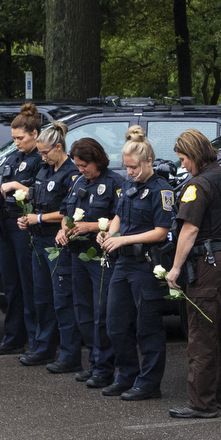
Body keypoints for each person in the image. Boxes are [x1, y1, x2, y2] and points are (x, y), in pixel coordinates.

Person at [167, 129, 221, 419]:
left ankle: (201, 402)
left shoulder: (198, 185)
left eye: (184, 159)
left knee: (202, 334)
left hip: (211, 264)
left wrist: (175, 268)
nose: (183, 165)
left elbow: (189, 230)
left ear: (195, 155)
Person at [99, 128, 173, 400]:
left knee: (147, 327)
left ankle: (149, 383)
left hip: (146, 264)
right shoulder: (129, 186)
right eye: (126, 167)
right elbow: (118, 215)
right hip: (123, 263)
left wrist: (123, 240)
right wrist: (110, 233)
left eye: (134, 167)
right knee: (115, 323)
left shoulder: (161, 190)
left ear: (149, 161)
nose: (129, 172)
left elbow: (161, 232)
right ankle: (126, 375)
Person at [61, 137, 125, 389]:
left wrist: (91, 225)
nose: (80, 170)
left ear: (96, 160)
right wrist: (64, 229)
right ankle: (95, 363)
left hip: (101, 256)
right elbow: (67, 212)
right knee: (83, 311)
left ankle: (105, 368)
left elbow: (122, 221)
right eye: (77, 165)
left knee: (101, 313)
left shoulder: (114, 183)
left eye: (84, 165)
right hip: (78, 253)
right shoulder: (77, 181)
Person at [0, 103, 45, 358]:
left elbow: (41, 191)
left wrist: (16, 186)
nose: (16, 142)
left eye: (20, 138)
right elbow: (2, 188)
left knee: (28, 283)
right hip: (6, 224)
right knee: (10, 284)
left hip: (25, 226)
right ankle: (13, 337)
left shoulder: (40, 159)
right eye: (14, 138)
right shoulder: (13, 157)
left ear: (34, 134)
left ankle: (36, 340)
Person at [25, 122, 82, 371]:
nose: (42, 156)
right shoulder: (45, 170)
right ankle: (43, 348)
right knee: (42, 298)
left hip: (57, 242)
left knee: (62, 299)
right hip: (38, 240)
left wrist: (38, 218)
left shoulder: (71, 173)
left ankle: (69, 355)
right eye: (40, 153)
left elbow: (67, 212)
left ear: (58, 147)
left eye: (46, 152)